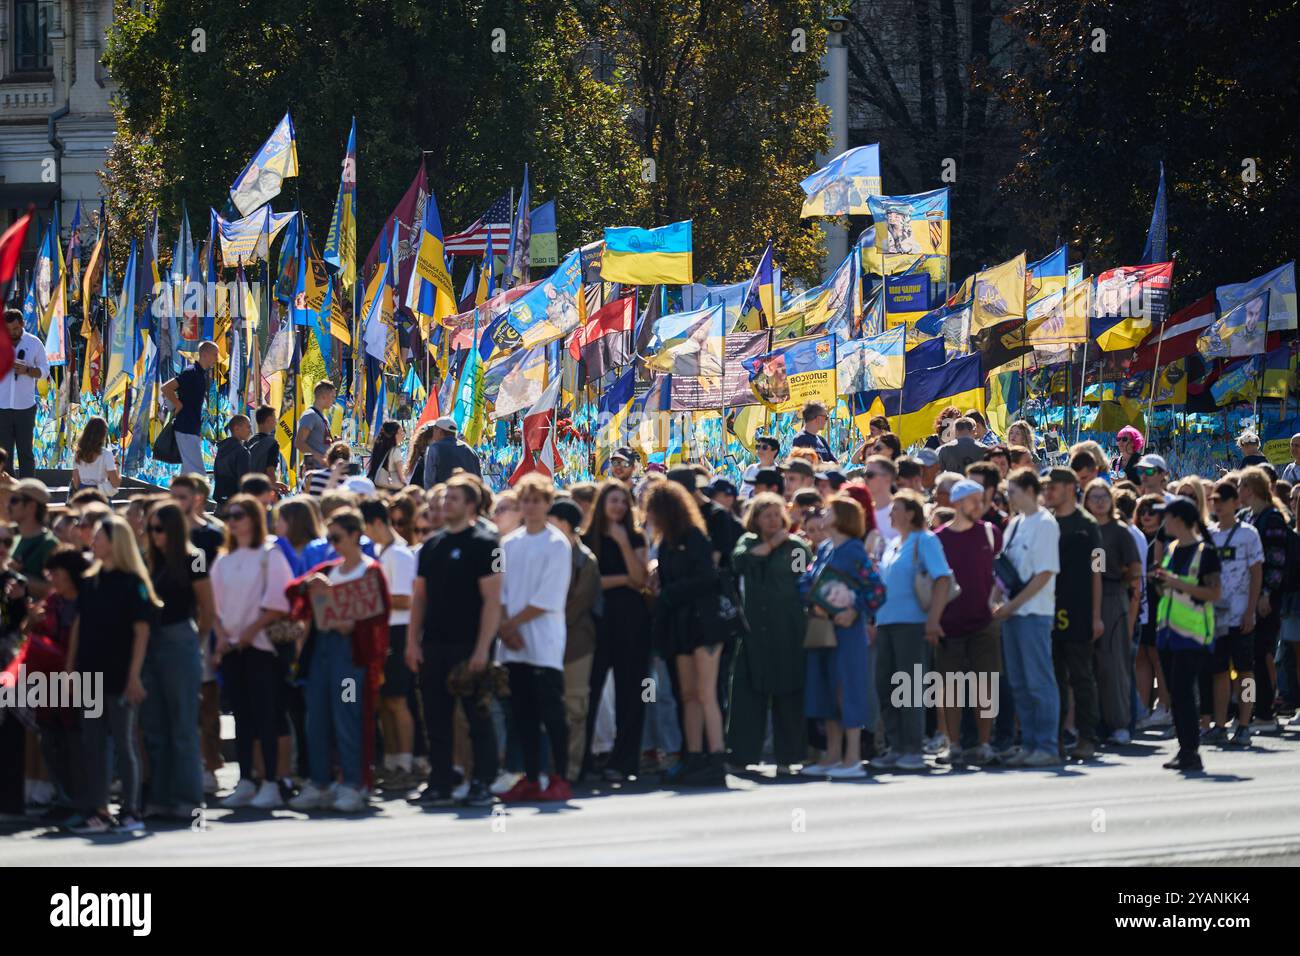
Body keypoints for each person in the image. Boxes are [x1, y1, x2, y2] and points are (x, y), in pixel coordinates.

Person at [405, 474, 500, 807]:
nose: (446, 505)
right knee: (435, 717)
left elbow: (492, 600)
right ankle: (440, 781)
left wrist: (482, 649)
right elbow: (419, 598)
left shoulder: (486, 542)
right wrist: (412, 642)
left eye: (454, 499)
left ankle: (482, 783)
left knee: (477, 717)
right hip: (434, 644)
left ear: (471, 505)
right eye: (444, 499)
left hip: (468, 645)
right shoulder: (431, 545)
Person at [287, 508, 391, 812]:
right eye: (328, 537)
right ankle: (320, 782)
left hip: (351, 657)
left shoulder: (371, 571)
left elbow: (380, 617)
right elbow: (291, 590)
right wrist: (309, 584)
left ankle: (353, 783)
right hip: (323, 654)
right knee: (316, 718)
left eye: (336, 537)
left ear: (356, 535)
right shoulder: (329, 569)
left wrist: (353, 624)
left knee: (349, 718)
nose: (332, 543)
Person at [66, 515, 161, 833]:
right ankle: (99, 810)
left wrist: (134, 676)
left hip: (121, 674)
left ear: (115, 541)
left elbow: (142, 631)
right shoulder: (90, 580)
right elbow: (80, 625)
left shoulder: (133, 582)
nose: (93, 542)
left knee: (124, 742)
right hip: (90, 674)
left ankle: (131, 811)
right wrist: (70, 666)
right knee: (92, 743)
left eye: (99, 537)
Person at [210, 493, 294, 810]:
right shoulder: (223, 558)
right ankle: (246, 779)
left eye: (239, 515)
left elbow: (278, 602)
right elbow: (214, 605)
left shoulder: (269, 554)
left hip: (261, 648)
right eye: (229, 516)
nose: (232, 521)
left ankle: (271, 781)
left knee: (266, 716)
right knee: (243, 716)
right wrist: (221, 637)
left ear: (253, 519)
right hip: (232, 648)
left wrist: (248, 633)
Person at [646, 480, 728, 785]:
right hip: (681, 624)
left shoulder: (695, 537)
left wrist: (669, 591)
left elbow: (707, 578)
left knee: (706, 693)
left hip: (704, 623)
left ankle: (716, 756)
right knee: (688, 694)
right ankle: (693, 755)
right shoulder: (666, 543)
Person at [496, 475, 573, 802]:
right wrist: (504, 626)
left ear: (547, 503)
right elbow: (498, 588)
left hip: (543, 642)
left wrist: (510, 625)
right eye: (525, 500)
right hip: (512, 646)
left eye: (536, 500)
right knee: (521, 713)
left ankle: (559, 776)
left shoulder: (558, 544)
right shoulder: (507, 544)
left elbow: (549, 596)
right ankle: (529, 775)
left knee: (551, 713)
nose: (530, 506)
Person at [800, 496, 886, 777]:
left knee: (847, 689)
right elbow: (807, 581)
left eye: (830, 510)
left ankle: (853, 758)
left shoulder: (854, 551)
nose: (824, 513)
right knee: (826, 689)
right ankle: (832, 755)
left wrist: (854, 609)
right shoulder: (824, 548)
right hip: (824, 629)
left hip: (848, 632)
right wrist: (812, 601)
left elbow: (875, 589)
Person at [140, 500, 215, 820]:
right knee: (154, 725)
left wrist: (194, 643)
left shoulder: (194, 559)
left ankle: (187, 798)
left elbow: (207, 609)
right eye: (150, 529)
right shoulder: (148, 562)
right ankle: (160, 796)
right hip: (151, 643)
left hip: (179, 638)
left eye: (158, 528)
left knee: (183, 725)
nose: (153, 534)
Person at [727, 493, 812, 771]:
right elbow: (740, 562)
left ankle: (789, 758)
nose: (773, 520)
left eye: (776, 514)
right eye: (766, 515)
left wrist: (781, 543)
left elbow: (807, 581)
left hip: (789, 631)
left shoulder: (796, 547)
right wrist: (772, 544)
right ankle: (742, 755)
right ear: (756, 519)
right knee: (747, 695)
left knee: (789, 696)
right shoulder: (747, 542)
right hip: (754, 633)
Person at [873, 490, 953, 771]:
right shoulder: (894, 544)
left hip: (912, 624)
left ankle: (913, 748)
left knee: (908, 688)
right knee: (885, 685)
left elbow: (943, 579)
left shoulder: (925, 541)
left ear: (910, 513)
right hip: (886, 624)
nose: (891, 514)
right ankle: (896, 746)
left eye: (896, 509)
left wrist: (933, 619)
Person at [580, 480, 650, 782]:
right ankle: (582, 759)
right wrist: (621, 579)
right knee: (590, 690)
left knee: (632, 692)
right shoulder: (586, 538)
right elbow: (590, 583)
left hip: (631, 620)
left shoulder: (634, 537)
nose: (619, 506)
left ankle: (625, 761)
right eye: (613, 501)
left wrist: (622, 542)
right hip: (597, 620)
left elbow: (640, 580)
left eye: (624, 501)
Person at [992, 467, 1062, 767]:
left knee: (1038, 680)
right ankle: (1031, 743)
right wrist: (995, 601)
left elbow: (1044, 573)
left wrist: (1011, 604)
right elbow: (1004, 568)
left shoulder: (1045, 524)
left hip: (1033, 612)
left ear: (1030, 491)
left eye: (1013, 491)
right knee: (1019, 682)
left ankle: (1046, 744)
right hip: (1012, 612)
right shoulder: (1015, 524)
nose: (1008, 497)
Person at [934, 478, 1003, 766]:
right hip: (948, 623)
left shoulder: (990, 533)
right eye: (974, 500)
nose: (980, 506)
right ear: (958, 503)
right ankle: (954, 745)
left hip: (983, 622)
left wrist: (996, 601)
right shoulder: (938, 538)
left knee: (985, 686)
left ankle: (985, 744)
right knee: (948, 687)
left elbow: (1002, 572)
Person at [1152, 496, 1221, 772]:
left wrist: (1175, 581)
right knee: (1175, 694)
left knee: (1182, 692)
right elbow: (1168, 590)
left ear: (1179, 519)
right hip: (1168, 633)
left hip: (1192, 634)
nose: (1162, 521)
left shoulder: (1206, 552)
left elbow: (1214, 593)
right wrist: (1160, 582)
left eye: (1166, 516)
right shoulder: (1170, 549)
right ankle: (1185, 749)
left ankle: (1191, 750)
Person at [1044, 467, 1103, 760]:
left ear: (1069, 488)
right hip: (1049, 610)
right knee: (1053, 679)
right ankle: (1054, 739)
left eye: (1052, 487)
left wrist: (1096, 615)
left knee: (1081, 677)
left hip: (1079, 610)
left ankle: (1087, 737)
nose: (1048, 493)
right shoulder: (1047, 523)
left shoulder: (1088, 525)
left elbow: (1098, 570)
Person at [361, 497, 418, 788]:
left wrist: (367, 599)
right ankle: (393, 761)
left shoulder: (399, 555)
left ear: (377, 523)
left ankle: (405, 763)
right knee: (384, 701)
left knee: (397, 700)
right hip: (383, 632)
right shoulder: (382, 552)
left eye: (366, 526)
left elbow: (405, 599)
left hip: (398, 631)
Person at [1082, 479, 1141, 746]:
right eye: (1093, 497)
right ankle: (1094, 724)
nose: (1099, 501)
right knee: (1087, 667)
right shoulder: (1083, 529)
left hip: (1112, 597)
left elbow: (1135, 571)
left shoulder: (1119, 532)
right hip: (1081, 599)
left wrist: (1126, 604)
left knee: (1113, 665)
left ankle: (1120, 724)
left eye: (1103, 496)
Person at [547, 498, 602, 782]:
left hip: (576, 642)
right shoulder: (545, 552)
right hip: (545, 641)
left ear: (566, 524)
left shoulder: (585, 560)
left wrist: (547, 616)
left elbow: (579, 603)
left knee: (575, 706)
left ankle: (570, 768)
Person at [1206, 479, 1262, 747]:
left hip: (1241, 615)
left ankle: (1245, 723)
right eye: (1214, 500)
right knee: (1218, 671)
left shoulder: (1248, 534)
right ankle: (1219, 724)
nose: (1217, 504)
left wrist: (1251, 611)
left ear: (1234, 503)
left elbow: (1256, 573)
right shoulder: (1209, 534)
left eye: (1222, 500)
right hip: (1217, 617)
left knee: (1245, 671)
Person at [1238, 466, 1292, 734]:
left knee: (1261, 654)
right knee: (1249, 660)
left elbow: (1275, 560)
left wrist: (1267, 593)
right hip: (1247, 596)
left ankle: (1265, 710)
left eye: (1242, 486)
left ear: (1252, 488)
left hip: (1265, 598)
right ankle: (1251, 710)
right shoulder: (1249, 516)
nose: (1239, 491)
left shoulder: (1271, 518)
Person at [0, 307, 51, 478]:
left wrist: (28, 370)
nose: (12, 333)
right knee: (4, 454)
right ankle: (7, 493)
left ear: (22, 324)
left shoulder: (34, 343)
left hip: (25, 407)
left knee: (26, 453)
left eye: (15, 328)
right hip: (2, 407)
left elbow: (45, 371)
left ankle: (28, 492)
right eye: (8, 330)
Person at [161, 341, 219, 477]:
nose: (217, 358)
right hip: (185, 427)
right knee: (197, 473)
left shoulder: (200, 374)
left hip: (191, 428)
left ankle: (179, 496)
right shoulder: (191, 372)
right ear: (204, 355)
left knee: (188, 472)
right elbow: (166, 388)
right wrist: (178, 404)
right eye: (215, 355)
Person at [10, 478, 57, 598]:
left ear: (31, 506)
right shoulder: (13, 540)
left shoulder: (49, 544)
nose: (8, 505)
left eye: (14, 500)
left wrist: (13, 575)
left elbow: (56, 589)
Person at [421, 416, 482, 488]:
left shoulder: (434, 448)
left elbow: (429, 481)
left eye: (434, 429)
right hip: (468, 497)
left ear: (440, 431)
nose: (433, 432)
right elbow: (479, 481)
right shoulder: (471, 451)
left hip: (446, 496)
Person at [70, 416, 121, 495]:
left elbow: (76, 484)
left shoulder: (78, 454)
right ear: (103, 435)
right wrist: (117, 463)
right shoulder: (106, 454)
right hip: (99, 495)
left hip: (83, 496)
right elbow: (115, 483)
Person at [295, 380, 338, 473]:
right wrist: (318, 457)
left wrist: (334, 443)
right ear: (324, 396)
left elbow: (320, 443)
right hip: (313, 471)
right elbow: (299, 443)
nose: (334, 400)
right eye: (332, 397)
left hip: (323, 470)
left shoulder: (323, 416)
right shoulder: (310, 415)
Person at [212, 415, 253, 505]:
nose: (250, 431)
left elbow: (216, 474)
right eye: (248, 427)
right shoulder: (241, 451)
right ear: (237, 428)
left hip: (220, 500)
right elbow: (244, 482)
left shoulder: (221, 449)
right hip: (236, 503)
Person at [862, 455, 898, 550]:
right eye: (864, 475)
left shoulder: (901, 511)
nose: (865, 479)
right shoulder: (861, 512)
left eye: (870, 475)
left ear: (888, 478)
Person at [245, 404, 284, 485]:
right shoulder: (272, 444)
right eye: (274, 418)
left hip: (249, 486)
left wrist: (277, 484)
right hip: (262, 489)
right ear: (269, 420)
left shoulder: (249, 441)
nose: (276, 421)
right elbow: (270, 472)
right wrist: (274, 488)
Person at [367, 420, 407, 490]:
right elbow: (401, 476)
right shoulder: (395, 450)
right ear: (394, 434)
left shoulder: (380, 448)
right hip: (392, 489)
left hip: (378, 487)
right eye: (401, 431)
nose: (403, 434)